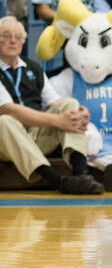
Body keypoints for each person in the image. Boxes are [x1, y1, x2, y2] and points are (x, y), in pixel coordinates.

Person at [0, 15, 103, 193]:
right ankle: (58, 180)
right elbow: (7, 109)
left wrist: (80, 112)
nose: (12, 41)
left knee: (70, 104)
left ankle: (81, 174)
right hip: (6, 140)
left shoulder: (33, 67)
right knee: (4, 121)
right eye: (6, 35)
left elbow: (56, 102)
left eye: (18, 37)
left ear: (23, 42)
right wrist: (57, 121)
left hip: (35, 134)